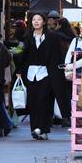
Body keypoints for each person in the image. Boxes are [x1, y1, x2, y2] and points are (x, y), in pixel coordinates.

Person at [20, 11, 65, 139]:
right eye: (34, 19)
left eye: (39, 19)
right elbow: (24, 56)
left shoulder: (52, 37)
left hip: (46, 73)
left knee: (44, 100)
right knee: (33, 101)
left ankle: (42, 128)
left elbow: (57, 56)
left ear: (44, 22)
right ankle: (36, 128)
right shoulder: (28, 38)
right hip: (31, 74)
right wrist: (19, 71)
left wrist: (58, 71)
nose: (36, 21)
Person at [47, 11, 75, 127]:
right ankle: (66, 117)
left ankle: (54, 118)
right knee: (66, 93)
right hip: (68, 67)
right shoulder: (72, 36)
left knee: (53, 93)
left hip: (55, 66)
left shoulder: (54, 35)